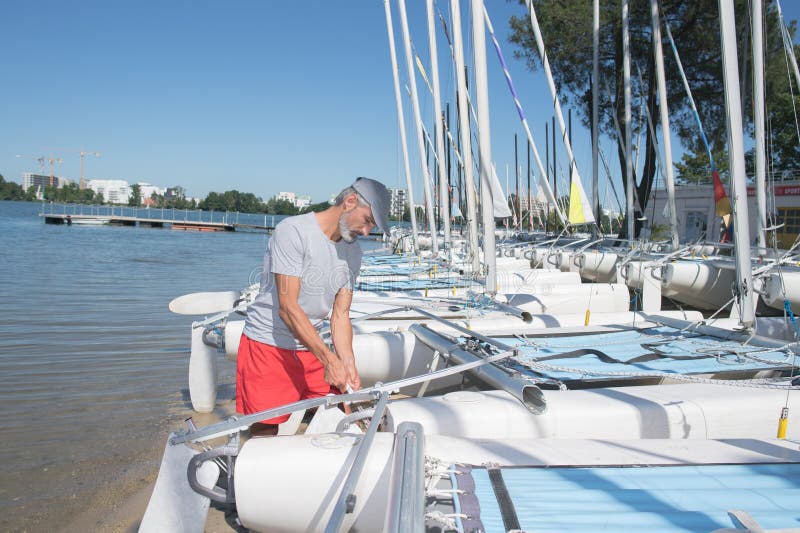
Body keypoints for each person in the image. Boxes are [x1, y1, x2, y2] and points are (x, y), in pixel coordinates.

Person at [236, 177, 391, 436]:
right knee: (265, 431)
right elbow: (287, 307)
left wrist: (347, 361)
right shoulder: (293, 231)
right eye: (367, 221)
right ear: (350, 202)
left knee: (343, 412)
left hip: (310, 345)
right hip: (267, 344)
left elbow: (341, 314)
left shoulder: (353, 252)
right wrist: (329, 359)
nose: (366, 232)